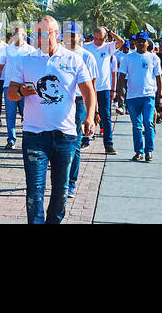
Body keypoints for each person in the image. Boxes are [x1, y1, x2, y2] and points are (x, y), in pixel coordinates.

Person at [6, 16, 95, 224]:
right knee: (34, 191)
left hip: (65, 136)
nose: (41, 38)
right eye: (37, 34)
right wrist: (20, 90)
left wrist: (90, 116)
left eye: (45, 33)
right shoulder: (26, 60)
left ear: (57, 34)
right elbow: (10, 92)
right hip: (34, 135)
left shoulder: (73, 60)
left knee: (61, 191)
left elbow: (88, 91)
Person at [64, 23, 99, 197]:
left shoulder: (87, 57)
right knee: (60, 142)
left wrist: (93, 113)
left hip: (79, 103)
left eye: (73, 35)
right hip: (62, 102)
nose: (69, 38)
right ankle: (61, 180)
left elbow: (92, 88)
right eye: (66, 34)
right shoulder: (57, 54)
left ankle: (71, 182)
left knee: (76, 142)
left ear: (79, 36)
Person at [118, 32, 162, 162]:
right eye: (139, 41)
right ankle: (139, 152)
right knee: (136, 126)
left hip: (148, 96)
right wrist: (120, 91)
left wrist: (160, 95)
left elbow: (159, 78)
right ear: (135, 43)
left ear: (148, 43)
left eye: (144, 41)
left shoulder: (154, 58)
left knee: (148, 123)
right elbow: (121, 76)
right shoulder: (127, 58)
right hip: (132, 97)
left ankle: (149, 151)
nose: (141, 43)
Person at [83, 26, 122, 155]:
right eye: (96, 38)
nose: (98, 41)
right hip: (88, 87)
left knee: (106, 116)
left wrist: (111, 32)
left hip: (103, 87)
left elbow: (121, 42)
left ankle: (108, 144)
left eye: (101, 39)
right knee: (87, 114)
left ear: (105, 38)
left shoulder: (108, 47)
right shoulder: (86, 47)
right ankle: (85, 138)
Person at [0, 25, 36, 149]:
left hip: (25, 87)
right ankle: (11, 139)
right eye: (14, 33)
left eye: (18, 33)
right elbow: (0, 67)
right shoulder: (7, 49)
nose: (15, 36)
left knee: (27, 115)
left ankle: (28, 138)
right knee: (10, 115)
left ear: (24, 34)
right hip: (9, 86)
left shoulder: (30, 50)